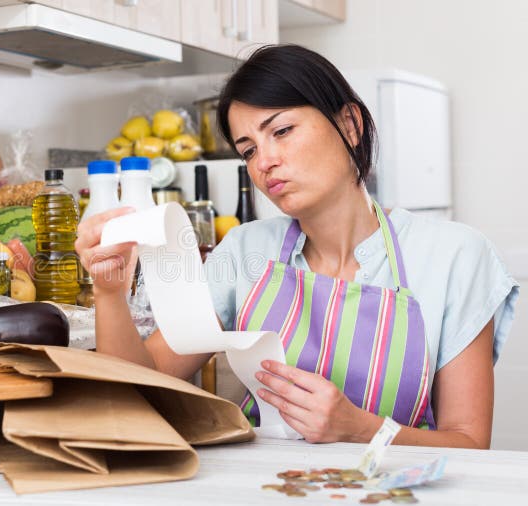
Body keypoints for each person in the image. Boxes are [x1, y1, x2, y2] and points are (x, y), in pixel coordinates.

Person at [75, 44, 519, 449]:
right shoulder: (244, 251)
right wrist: (109, 291)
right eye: (248, 151)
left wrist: (358, 428)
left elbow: (469, 443)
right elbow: (140, 388)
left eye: (282, 130)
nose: (264, 162)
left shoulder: (455, 255)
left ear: (350, 125)